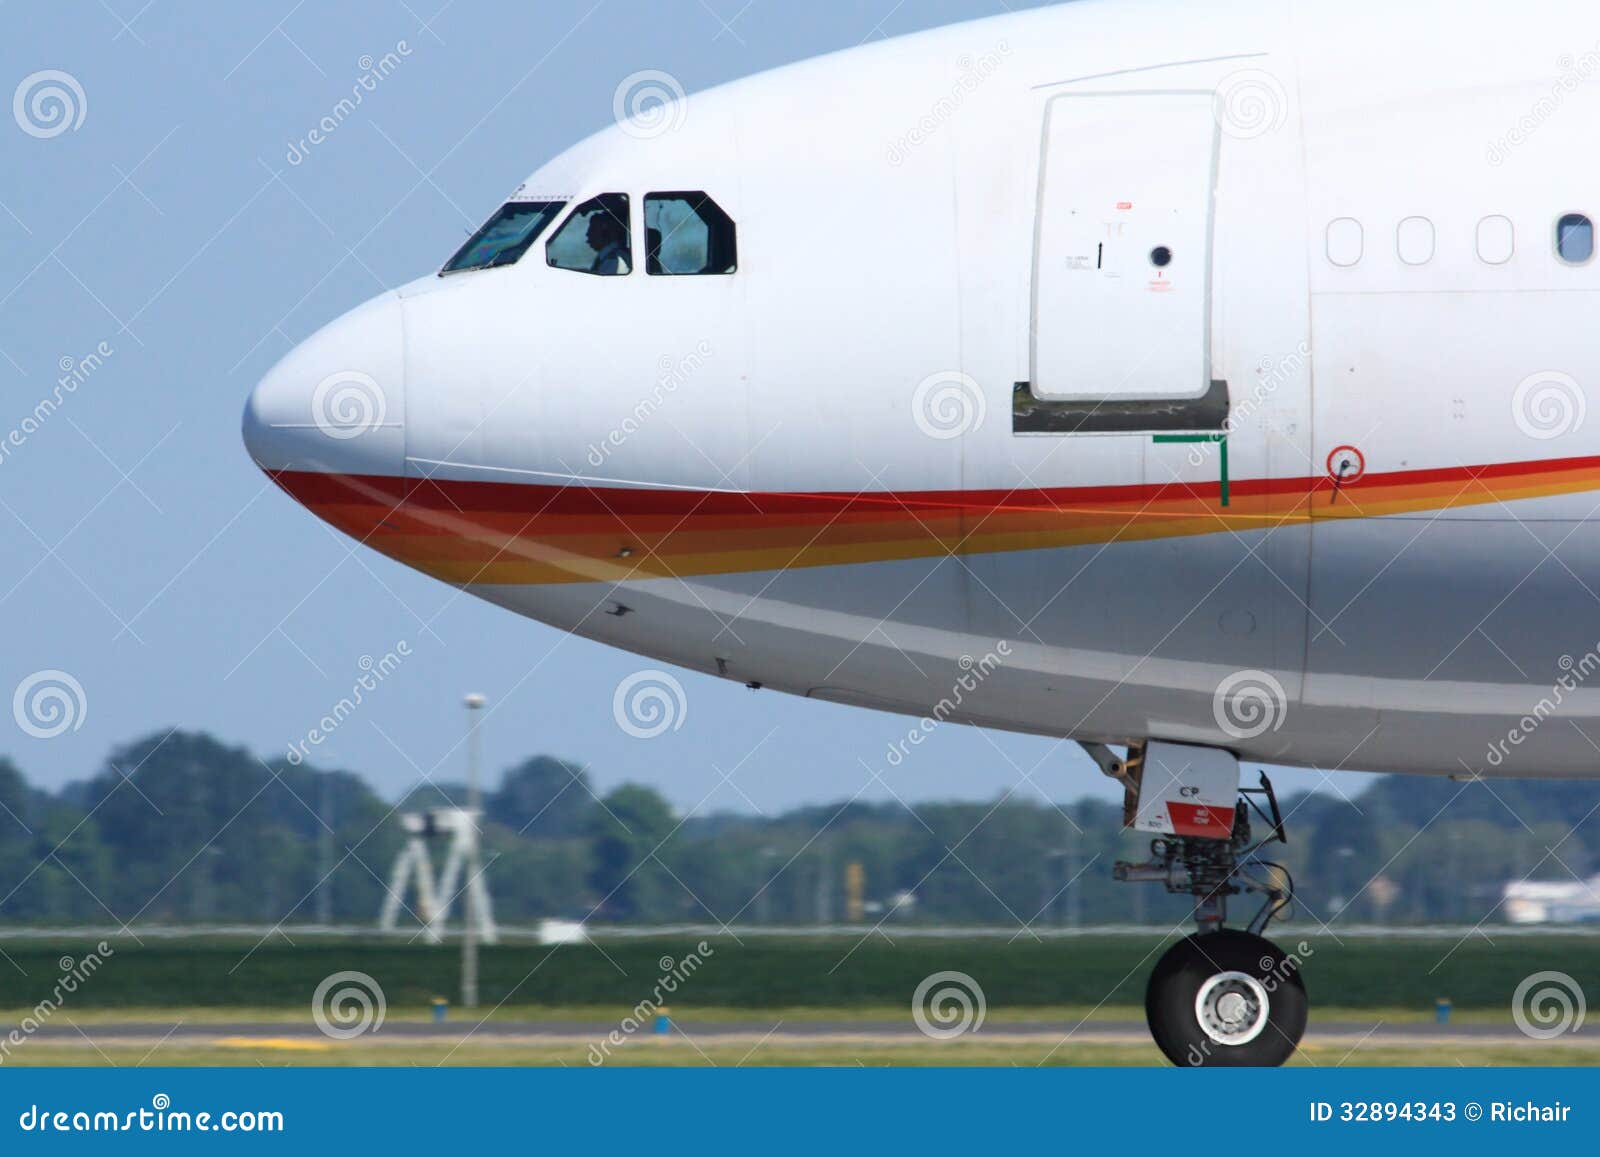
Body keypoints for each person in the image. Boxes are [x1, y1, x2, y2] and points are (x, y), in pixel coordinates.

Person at [586, 210, 631, 275]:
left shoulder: (614, 259)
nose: (587, 234)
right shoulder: (605, 257)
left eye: (593, 230)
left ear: (605, 232)